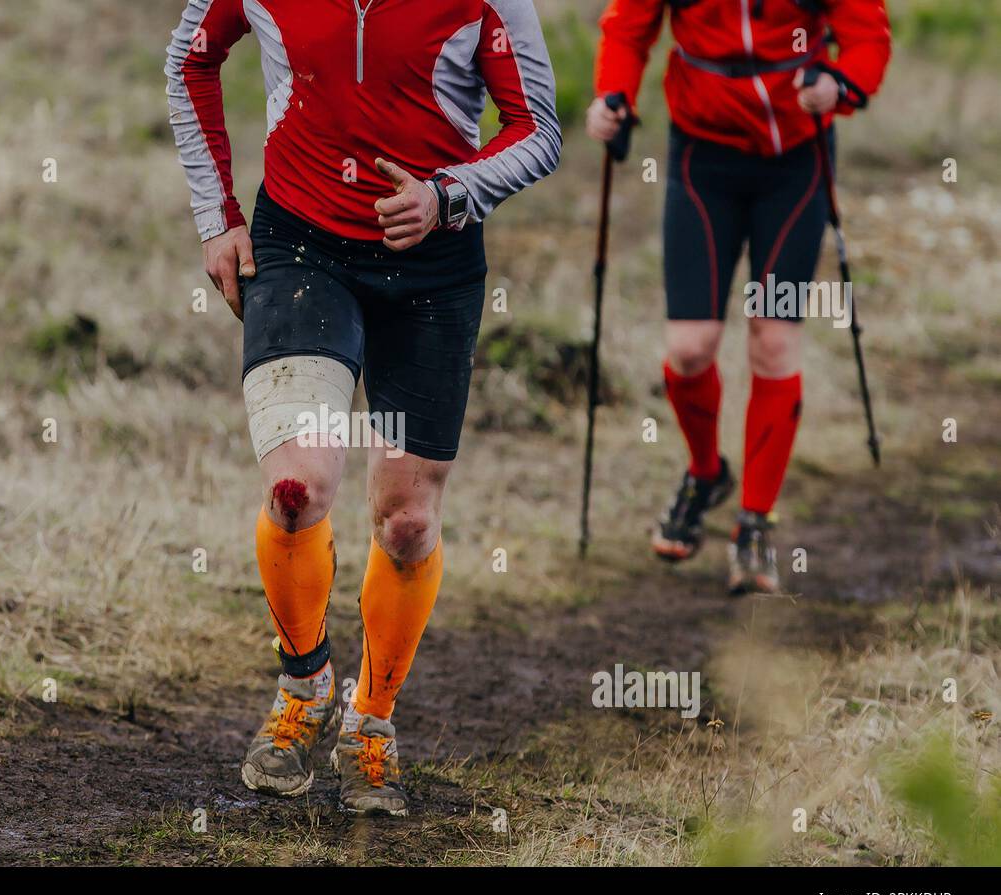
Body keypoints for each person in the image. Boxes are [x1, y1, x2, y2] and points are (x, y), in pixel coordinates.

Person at [165, 0, 560, 814]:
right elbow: (189, 60)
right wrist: (218, 219)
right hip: (301, 244)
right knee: (297, 486)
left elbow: (538, 129)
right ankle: (304, 686)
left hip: (435, 264)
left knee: (408, 523)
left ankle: (371, 722)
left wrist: (449, 194)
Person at [587, 0, 890, 593]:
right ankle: (705, 475)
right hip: (704, 160)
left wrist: (839, 84)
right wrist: (611, 98)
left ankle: (754, 524)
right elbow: (627, 28)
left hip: (795, 163)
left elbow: (868, 39)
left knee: (774, 340)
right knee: (690, 348)